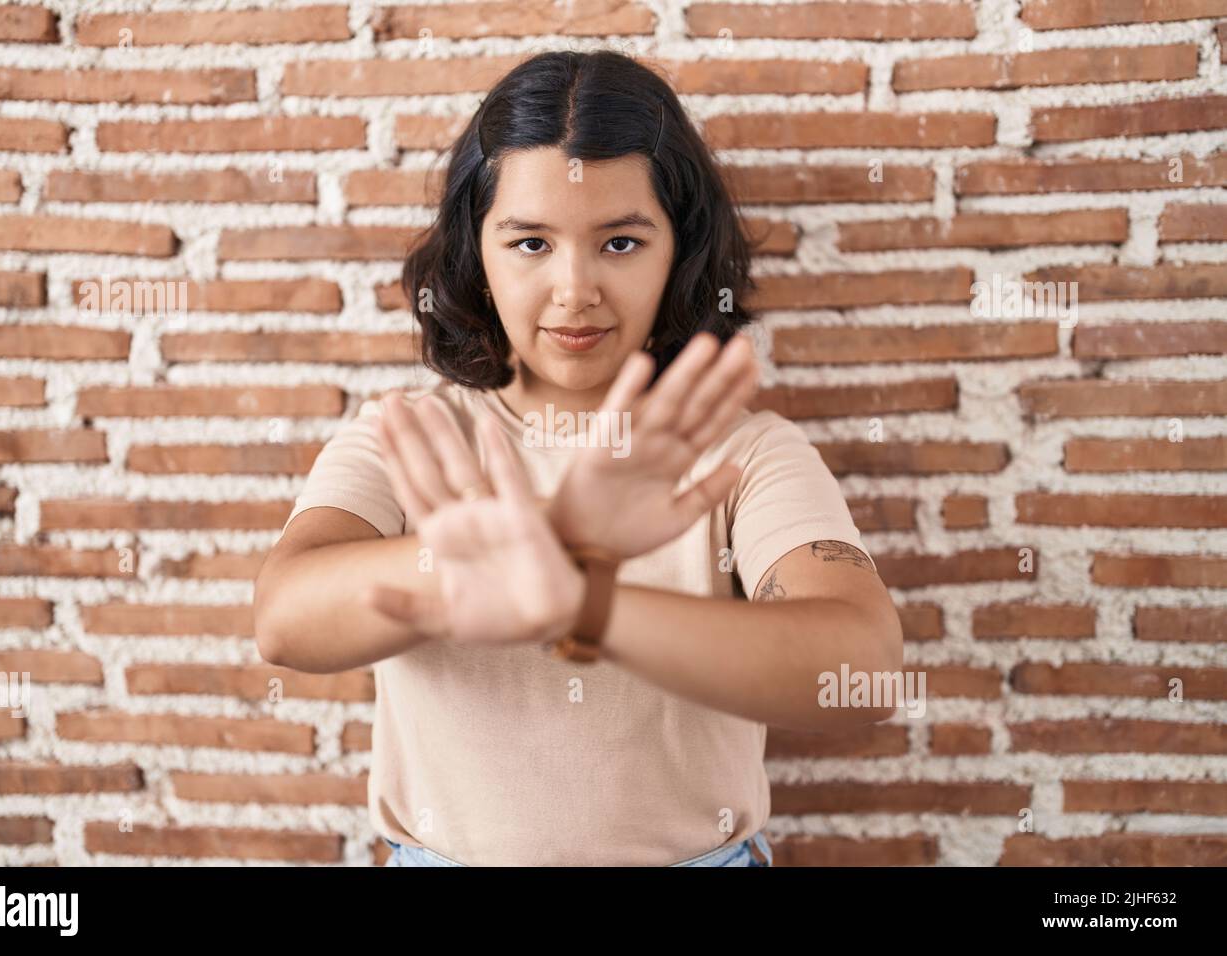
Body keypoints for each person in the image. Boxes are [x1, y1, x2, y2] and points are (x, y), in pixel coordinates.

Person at [253, 49, 903, 867]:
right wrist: (552, 532)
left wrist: (578, 602)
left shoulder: (748, 452)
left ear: (680, 252)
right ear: (476, 255)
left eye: (621, 243)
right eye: (529, 243)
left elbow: (862, 668)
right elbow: (284, 620)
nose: (575, 289)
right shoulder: (411, 438)